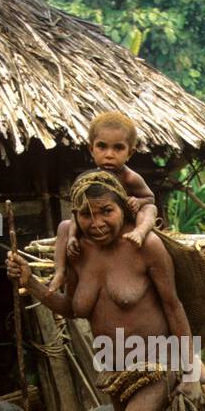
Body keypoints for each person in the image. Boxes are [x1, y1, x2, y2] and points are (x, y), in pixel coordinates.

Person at [7, 170, 198, 411]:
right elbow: (73, 308)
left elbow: (174, 306)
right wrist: (32, 283)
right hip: (113, 369)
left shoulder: (148, 248)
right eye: (86, 215)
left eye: (106, 211)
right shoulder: (81, 255)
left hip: (157, 363)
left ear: (123, 210)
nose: (96, 223)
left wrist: (189, 365)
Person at [48, 111, 157, 294]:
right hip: (99, 226)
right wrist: (73, 236)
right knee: (64, 226)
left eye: (118, 148)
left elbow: (150, 198)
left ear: (130, 153)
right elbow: (78, 211)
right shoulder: (88, 180)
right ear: (91, 149)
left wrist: (137, 201)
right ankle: (60, 271)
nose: (109, 155)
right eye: (102, 147)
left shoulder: (130, 178)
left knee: (150, 209)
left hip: (127, 224)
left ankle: (140, 232)